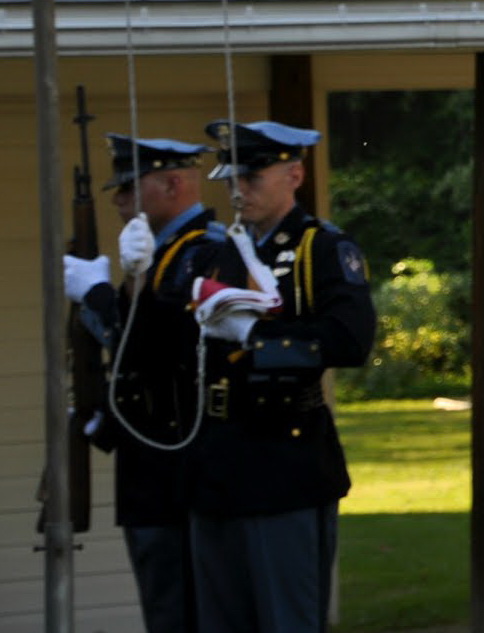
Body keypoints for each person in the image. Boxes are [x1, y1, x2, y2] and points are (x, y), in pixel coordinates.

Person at [186, 120, 376, 633]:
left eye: (252, 177)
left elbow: (350, 340)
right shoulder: (221, 251)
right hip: (218, 460)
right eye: (232, 179)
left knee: (286, 619)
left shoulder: (321, 249)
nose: (238, 190)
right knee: (222, 620)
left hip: (284, 460)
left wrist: (258, 339)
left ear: (294, 174)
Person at [62, 133, 226, 633]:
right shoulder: (162, 251)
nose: (119, 200)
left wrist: (95, 297)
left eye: (130, 188)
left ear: (173, 183)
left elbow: (156, 347)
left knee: (181, 608)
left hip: (179, 462)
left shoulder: (201, 254)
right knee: (164, 604)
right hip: (151, 460)